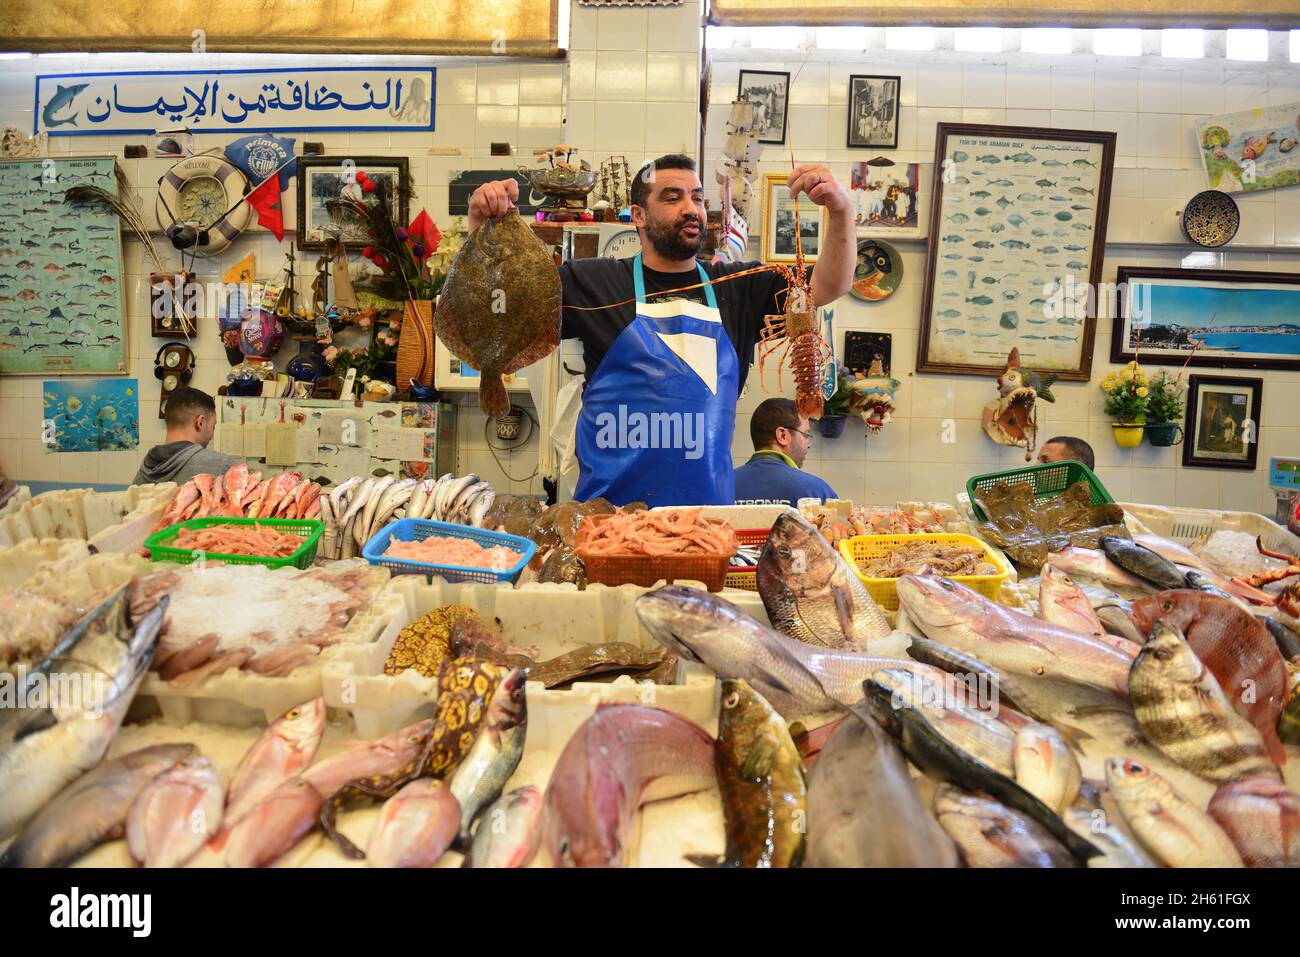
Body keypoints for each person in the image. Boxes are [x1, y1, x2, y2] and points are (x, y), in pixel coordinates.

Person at [468, 153, 854, 507]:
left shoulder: (739, 286)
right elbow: (497, 309)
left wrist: (840, 210)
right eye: (673, 198)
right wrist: (480, 233)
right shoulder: (593, 282)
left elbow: (827, 285)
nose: (691, 209)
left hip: (705, 523)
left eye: (698, 199)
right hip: (608, 523)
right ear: (638, 214)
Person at [733, 398, 837, 508]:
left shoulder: (724, 486)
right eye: (806, 434)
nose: (809, 444)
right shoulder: (816, 492)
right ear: (782, 436)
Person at [132, 387, 237, 486]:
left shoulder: (145, 468)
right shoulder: (221, 466)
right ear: (200, 423)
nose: (211, 436)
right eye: (213, 426)